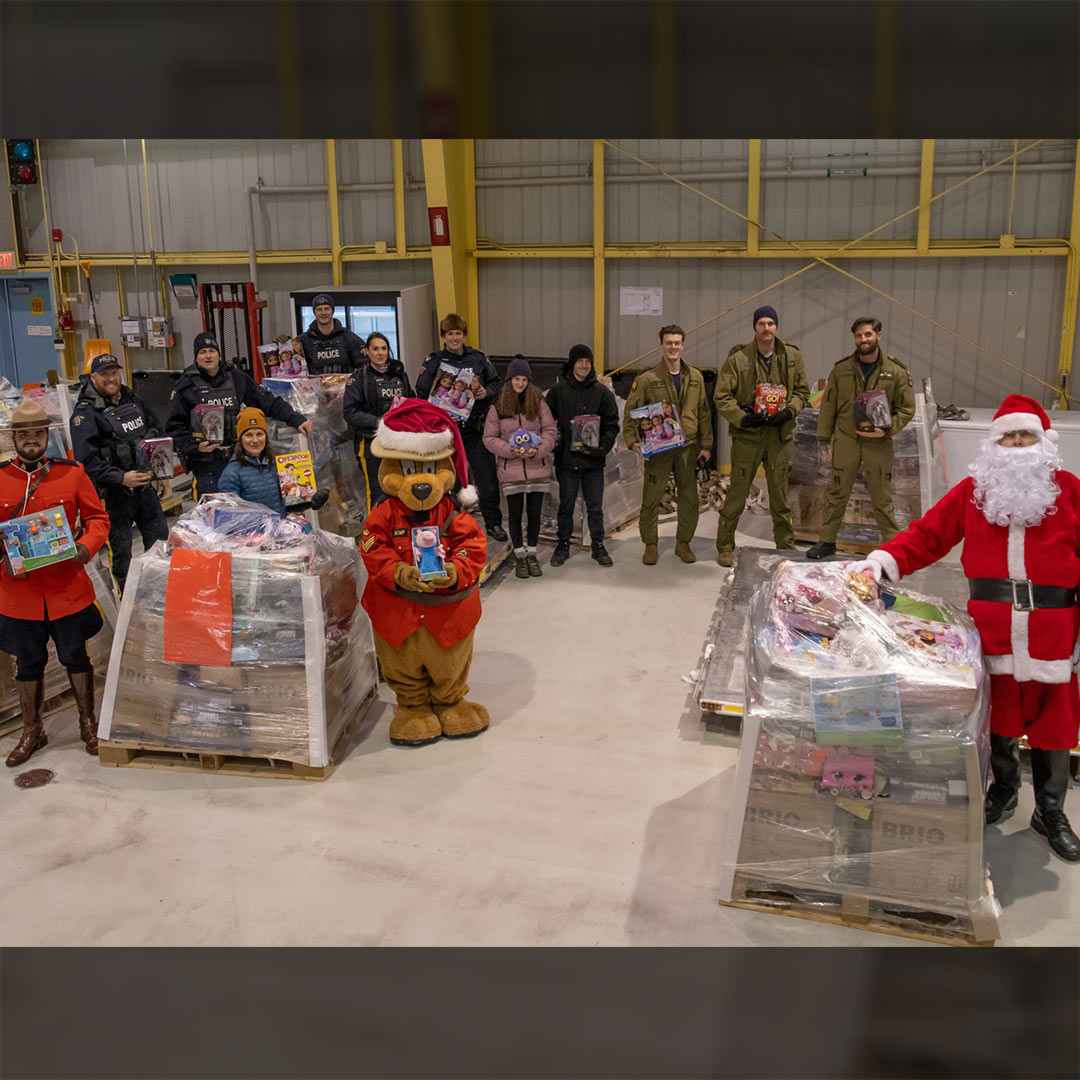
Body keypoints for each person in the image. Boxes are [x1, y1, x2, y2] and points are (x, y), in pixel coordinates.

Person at [853, 394, 1080, 863]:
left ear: (1043, 443)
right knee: (999, 720)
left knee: (1054, 726)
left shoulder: (1071, 492)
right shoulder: (976, 492)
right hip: (992, 633)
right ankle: (1002, 791)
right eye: (1009, 437)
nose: (1018, 445)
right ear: (996, 444)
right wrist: (885, 561)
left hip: (1053, 635)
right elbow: (928, 534)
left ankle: (1051, 811)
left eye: (1026, 437)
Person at [1, 400, 111, 765]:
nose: (31, 441)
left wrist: (85, 547)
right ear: (13, 438)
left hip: (66, 587)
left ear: (47, 435)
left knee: (75, 656)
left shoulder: (72, 473)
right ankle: (33, 730)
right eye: (24, 435)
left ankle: (87, 722)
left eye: (37, 434)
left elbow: (98, 519)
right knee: (27, 662)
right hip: (19, 592)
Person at [807, 317, 916, 559]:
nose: (863, 340)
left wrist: (887, 430)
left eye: (868, 334)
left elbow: (907, 409)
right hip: (846, 439)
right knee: (836, 492)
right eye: (859, 336)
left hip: (879, 442)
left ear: (879, 335)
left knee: (881, 496)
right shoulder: (841, 370)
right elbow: (828, 407)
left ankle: (892, 547)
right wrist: (824, 440)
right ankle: (826, 541)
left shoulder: (896, 372)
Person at [714, 305, 811, 566]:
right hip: (748, 437)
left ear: (776, 327)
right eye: (762, 324)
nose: (766, 328)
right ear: (755, 327)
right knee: (737, 492)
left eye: (770, 323)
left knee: (779, 495)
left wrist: (790, 411)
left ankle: (786, 547)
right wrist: (743, 417)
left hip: (779, 437)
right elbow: (722, 396)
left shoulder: (791, 356)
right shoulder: (738, 359)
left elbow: (803, 391)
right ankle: (724, 545)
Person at [166, 331, 312, 499]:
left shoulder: (236, 378)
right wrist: (194, 446)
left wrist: (295, 419)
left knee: (249, 507)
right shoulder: (186, 386)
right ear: (196, 357)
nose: (208, 356)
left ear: (218, 354)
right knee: (215, 513)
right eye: (202, 352)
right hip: (207, 464)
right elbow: (174, 428)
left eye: (212, 351)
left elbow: (267, 402)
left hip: (240, 457)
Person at [69, 352, 169, 596]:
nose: (111, 378)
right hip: (114, 496)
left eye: (114, 372)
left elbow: (155, 433)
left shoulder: (132, 398)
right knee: (121, 555)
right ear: (93, 377)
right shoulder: (85, 414)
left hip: (146, 488)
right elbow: (86, 461)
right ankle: (129, 605)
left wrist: (162, 474)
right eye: (105, 374)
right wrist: (122, 477)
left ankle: (162, 595)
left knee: (161, 545)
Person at [623, 324, 713, 566]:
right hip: (659, 449)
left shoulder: (695, 377)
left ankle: (683, 543)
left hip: (688, 447)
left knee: (689, 497)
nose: (673, 347)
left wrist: (706, 445)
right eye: (668, 343)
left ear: (682, 345)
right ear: (661, 346)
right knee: (651, 497)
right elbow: (631, 412)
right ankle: (650, 544)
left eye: (677, 342)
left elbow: (704, 412)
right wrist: (633, 443)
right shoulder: (647, 378)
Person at [415, 314, 506, 541]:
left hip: (476, 429)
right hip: (446, 432)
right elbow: (421, 391)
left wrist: (487, 392)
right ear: (443, 337)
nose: (454, 338)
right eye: (450, 334)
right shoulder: (434, 361)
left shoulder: (478, 359)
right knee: (449, 479)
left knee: (486, 478)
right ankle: (452, 523)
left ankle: (493, 523)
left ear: (463, 335)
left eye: (458, 333)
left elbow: (496, 383)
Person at [545, 343, 620, 568]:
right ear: (572, 363)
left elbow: (612, 424)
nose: (584, 365)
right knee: (566, 506)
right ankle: (563, 545)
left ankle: (598, 545)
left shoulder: (602, 393)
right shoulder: (557, 391)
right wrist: (555, 442)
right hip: (566, 461)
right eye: (580, 361)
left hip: (593, 461)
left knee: (595, 506)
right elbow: (546, 421)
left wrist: (603, 447)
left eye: (587, 362)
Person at [481, 357, 556, 578]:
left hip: (537, 468)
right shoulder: (498, 406)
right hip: (511, 470)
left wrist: (538, 449)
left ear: (529, 381)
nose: (520, 383)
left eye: (524, 379)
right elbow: (489, 437)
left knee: (534, 514)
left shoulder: (539, 403)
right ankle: (520, 555)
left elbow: (550, 431)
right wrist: (509, 450)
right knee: (514, 515)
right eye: (516, 379)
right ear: (509, 380)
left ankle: (531, 553)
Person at [342, 331, 415, 512]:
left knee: (401, 487)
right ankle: (374, 536)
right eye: (375, 349)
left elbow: (412, 401)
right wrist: (379, 422)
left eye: (384, 348)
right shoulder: (359, 378)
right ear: (367, 351)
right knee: (376, 491)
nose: (380, 353)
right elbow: (350, 412)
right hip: (370, 442)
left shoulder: (399, 374)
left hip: (399, 442)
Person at [218, 407, 328, 517]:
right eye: (249, 435)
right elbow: (229, 516)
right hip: (252, 534)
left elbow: (289, 504)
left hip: (279, 531)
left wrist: (309, 501)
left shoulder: (277, 466)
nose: (255, 440)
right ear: (240, 439)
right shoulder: (231, 473)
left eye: (260, 434)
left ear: (266, 437)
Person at [297, 293, 365, 374]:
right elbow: (287, 363)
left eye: (327, 308)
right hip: (315, 386)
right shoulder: (304, 340)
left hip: (345, 386)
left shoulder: (350, 338)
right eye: (319, 309)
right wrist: (282, 345)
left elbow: (364, 367)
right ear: (314, 312)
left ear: (332, 311)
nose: (323, 312)